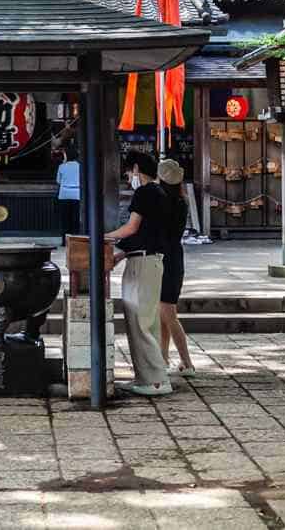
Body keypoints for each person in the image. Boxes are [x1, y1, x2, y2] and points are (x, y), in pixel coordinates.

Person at [105, 151, 172, 397]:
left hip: (143, 264)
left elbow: (131, 228)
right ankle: (148, 376)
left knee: (139, 322)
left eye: (128, 173)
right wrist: (121, 254)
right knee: (147, 322)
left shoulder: (144, 192)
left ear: (135, 168)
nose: (128, 178)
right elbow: (145, 234)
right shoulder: (161, 193)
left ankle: (155, 380)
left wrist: (103, 237)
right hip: (150, 260)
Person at [156, 158, 196, 377]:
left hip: (165, 259)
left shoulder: (163, 203)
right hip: (174, 256)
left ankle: (186, 361)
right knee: (163, 312)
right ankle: (162, 357)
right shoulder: (181, 202)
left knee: (168, 313)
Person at [55, 147, 81, 245]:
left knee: (65, 219)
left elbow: (58, 181)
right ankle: (75, 241)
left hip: (64, 194)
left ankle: (65, 241)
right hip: (76, 194)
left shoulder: (62, 166)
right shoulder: (80, 166)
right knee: (75, 219)